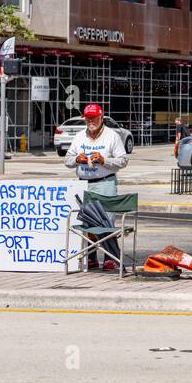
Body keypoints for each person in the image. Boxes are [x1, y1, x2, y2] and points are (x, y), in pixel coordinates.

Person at [63, 103, 129, 270]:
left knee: (106, 222)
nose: (91, 120)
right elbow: (67, 160)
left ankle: (110, 257)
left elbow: (123, 160)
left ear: (101, 117)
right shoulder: (79, 137)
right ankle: (91, 256)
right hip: (84, 183)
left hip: (105, 182)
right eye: (88, 118)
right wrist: (78, 159)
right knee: (88, 222)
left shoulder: (111, 136)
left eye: (94, 117)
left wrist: (103, 160)